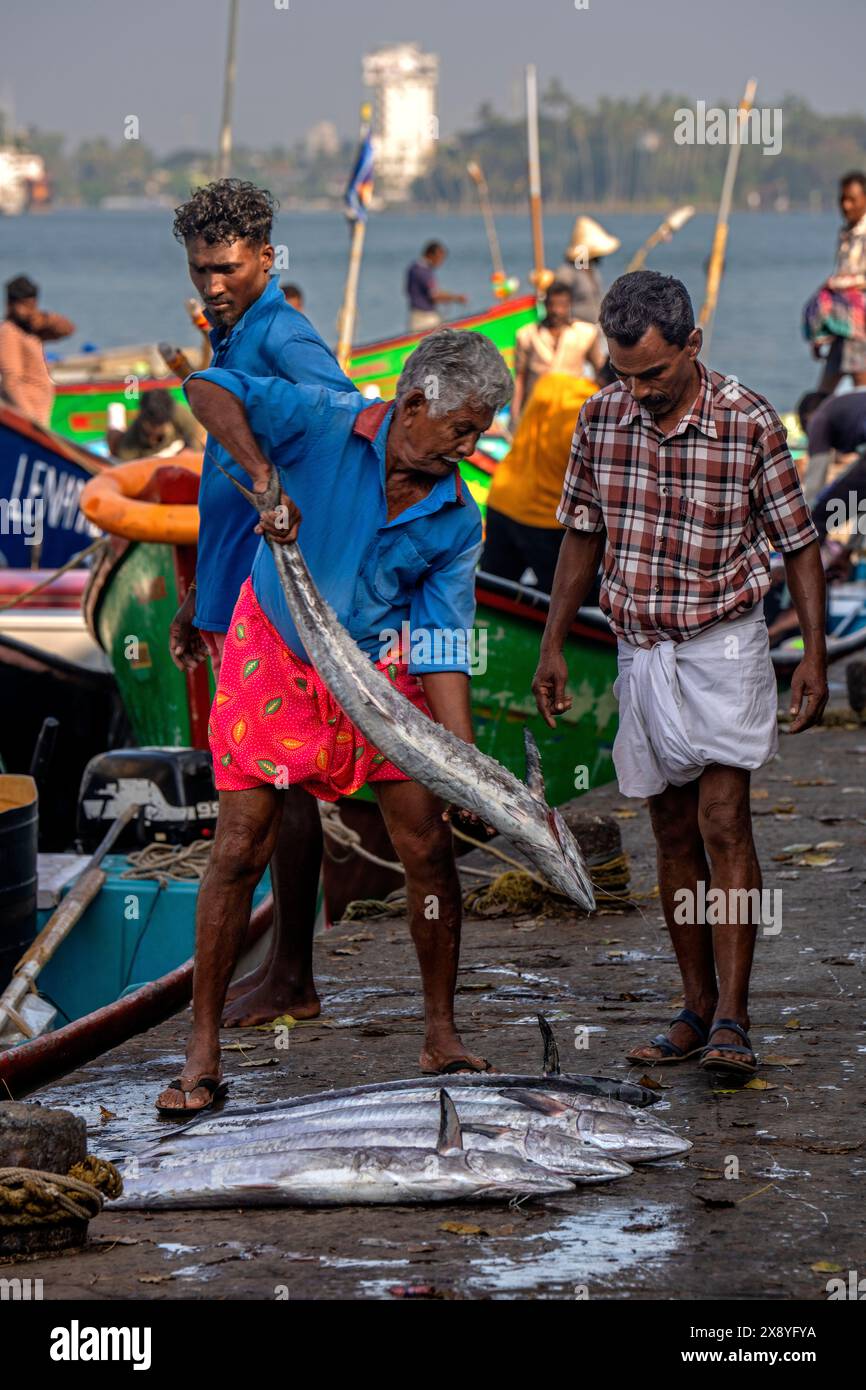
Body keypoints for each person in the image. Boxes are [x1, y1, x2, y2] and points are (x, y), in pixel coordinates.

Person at [155, 330, 513, 1112]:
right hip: (276, 649)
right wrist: (261, 479)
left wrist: (462, 762)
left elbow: (445, 644)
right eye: (464, 428)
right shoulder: (323, 418)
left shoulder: (457, 516)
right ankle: (202, 1049)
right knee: (239, 845)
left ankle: (442, 1034)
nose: (471, 444)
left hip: (380, 669)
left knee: (428, 845)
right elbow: (208, 389)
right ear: (414, 404)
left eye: (482, 431)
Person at [532, 271, 827, 1079]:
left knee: (724, 819)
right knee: (667, 824)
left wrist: (814, 661)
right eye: (626, 374)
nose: (640, 391)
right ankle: (694, 1007)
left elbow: (800, 542)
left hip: (725, 641)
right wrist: (552, 643)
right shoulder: (600, 418)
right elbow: (582, 535)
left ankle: (733, 1015)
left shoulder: (749, 420)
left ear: (693, 346)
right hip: (641, 643)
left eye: (655, 374)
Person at [168, 180, 352, 683]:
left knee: (265, 762)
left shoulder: (283, 336)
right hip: (226, 598)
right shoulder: (232, 334)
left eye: (228, 269)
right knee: (238, 759)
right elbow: (228, 481)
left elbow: (348, 422)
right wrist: (199, 596)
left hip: (267, 614)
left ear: (266, 257)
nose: (212, 287)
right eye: (200, 270)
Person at [481, 371, 599, 594]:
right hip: (543, 520)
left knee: (493, 591)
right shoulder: (601, 416)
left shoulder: (552, 381)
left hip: (502, 499)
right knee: (572, 594)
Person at [511, 281, 606, 421]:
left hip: (571, 411)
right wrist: (515, 414)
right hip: (536, 412)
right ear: (545, 305)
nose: (557, 310)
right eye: (552, 305)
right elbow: (520, 377)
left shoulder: (584, 333)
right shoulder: (527, 335)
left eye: (562, 305)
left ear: (569, 305)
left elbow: (599, 369)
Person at [810, 172, 866, 392]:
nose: (846, 205)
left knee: (861, 393)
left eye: (852, 199)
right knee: (822, 393)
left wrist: (839, 283)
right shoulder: (846, 233)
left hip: (860, 327)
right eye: (843, 199)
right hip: (843, 323)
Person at [0, 274, 74, 425]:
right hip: (28, 419)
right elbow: (11, 380)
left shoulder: (31, 330)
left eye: (33, 305)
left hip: (40, 415)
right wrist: (30, 420)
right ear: (11, 305)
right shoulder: (9, 333)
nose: (30, 310)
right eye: (25, 305)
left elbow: (67, 329)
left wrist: (43, 318)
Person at [797, 386, 866, 504]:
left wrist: (805, 517)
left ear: (807, 418)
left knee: (820, 516)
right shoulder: (842, 407)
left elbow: (815, 481)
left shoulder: (818, 419)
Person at [553, 216, 620, 326]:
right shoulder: (566, 273)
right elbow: (558, 304)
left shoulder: (591, 270)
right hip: (576, 331)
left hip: (594, 330)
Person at [108, 388, 203, 460]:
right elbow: (124, 459)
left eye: (158, 426)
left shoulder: (181, 414)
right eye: (151, 426)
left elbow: (197, 444)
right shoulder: (134, 433)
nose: (154, 430)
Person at [405, 241, 467, 333]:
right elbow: (435, 295)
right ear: (430, 255)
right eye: (439, 258)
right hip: (424, 318)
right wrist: (456, 298)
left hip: (418, 315)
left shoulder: (414, 268)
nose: (440, 262)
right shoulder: (422, 271)